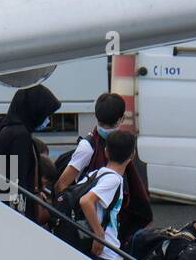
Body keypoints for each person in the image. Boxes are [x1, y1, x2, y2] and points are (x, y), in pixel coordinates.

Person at [54, 92, 153, 244]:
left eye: (111, 125)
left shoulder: (119, 143)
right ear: (122, 119)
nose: (107, 129)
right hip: (91, 224)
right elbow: (62, 184)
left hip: (111, 219)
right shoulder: (88, 147)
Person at [0, 85, 60, 224]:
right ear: (35, 110)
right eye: (46, 115)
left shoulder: (1, 126)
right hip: (15, 216)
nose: (47, 120)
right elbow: (18, 180)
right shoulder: (20, 136)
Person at [78, 129, 135, 260]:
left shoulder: (95, 174)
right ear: (132, 155)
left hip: (95, 249)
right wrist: (99, 235)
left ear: (106, 152)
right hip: (105, 252)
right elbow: (85, 201)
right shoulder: (113, 180)